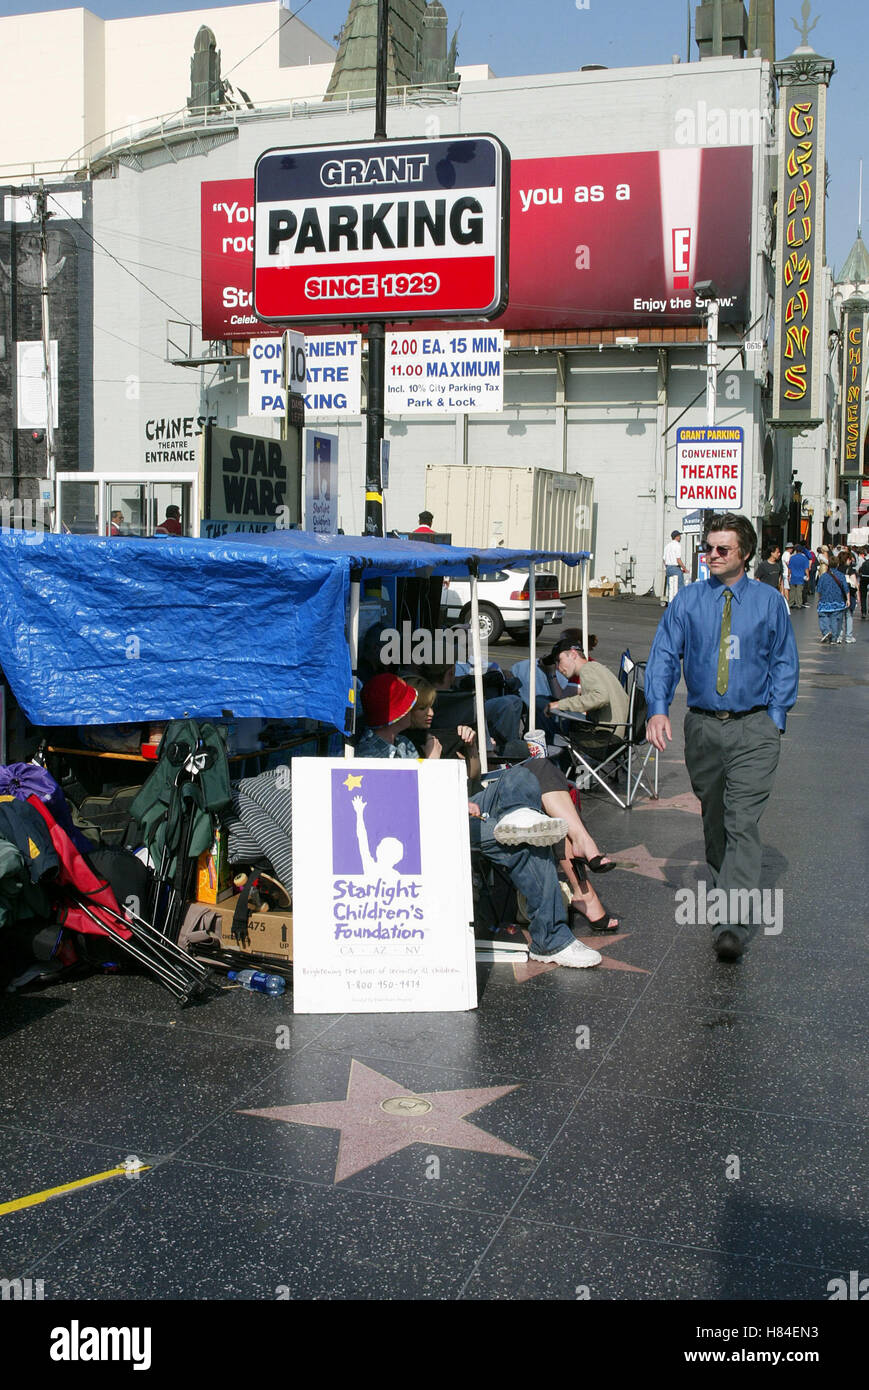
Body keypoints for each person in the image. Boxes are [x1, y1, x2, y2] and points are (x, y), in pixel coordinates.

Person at [645, 512, 799, 962]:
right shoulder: (687, 601)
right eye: (707, 548)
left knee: (742, 821)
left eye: (721, 549)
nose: (711, 555)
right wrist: (658, 709)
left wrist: (775, 717)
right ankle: (724, 893)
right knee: (715, 820)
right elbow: (664, 656)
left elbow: (785, 661)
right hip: (704, 727)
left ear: (744, 554)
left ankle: (731, 922)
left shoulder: (769, 602)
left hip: (754, 726)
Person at [469, 764, 602, 968]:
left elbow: (474, 774)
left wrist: (469, 748)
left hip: (464, 797)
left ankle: (520, 814)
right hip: (427, 811)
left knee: (520, 774)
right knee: (528, 840)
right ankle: (550, 940)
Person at [545, 635, 630, 731]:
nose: (557, 667)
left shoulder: (586, 669)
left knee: (542, 703)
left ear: (573, 654)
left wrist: (559, 704)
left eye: (558, 660)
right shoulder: (597, 667)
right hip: (616, 729)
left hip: (604, 734)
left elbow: (600, 697)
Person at [356, 673, 439, 759]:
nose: (411, 709)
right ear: (396, 715)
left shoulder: (404, 743)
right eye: (406, 705)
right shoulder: (366, 756)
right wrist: (432, 761)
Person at [816, 559, 848, 644]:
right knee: (835, 620)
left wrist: (820, 599)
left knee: (823, 617)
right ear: (837, 564)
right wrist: (848, 599)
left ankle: (826, 631)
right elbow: (846, 588)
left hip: (825, 600)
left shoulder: (823, 576)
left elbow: (819, 589)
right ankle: (834, 638)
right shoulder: (841, 575)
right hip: (838, 601)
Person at [663, 529, 688, 603]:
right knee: (680, 587)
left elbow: (664, 559)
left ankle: (671, 603)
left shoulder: (667, 546)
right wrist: (685, 568)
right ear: (676, 537)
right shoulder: (677, 545)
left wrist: (667, 566)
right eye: (679, 536)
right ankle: (680, 604)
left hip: (668, 568)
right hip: (675, 568)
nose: (680, 537)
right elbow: (678, 560)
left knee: (671, 587)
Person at [786, 544, 810, 609]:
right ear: (802, 551)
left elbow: (789, 568)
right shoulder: (804, 558)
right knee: (799, 591)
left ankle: (790, 603)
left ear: (796, 550)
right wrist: (808, 575)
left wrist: (788, 576)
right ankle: (799, 604)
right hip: (801, 576)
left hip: (793, 576)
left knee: (792, 591)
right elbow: (806, 568)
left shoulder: (792, 557)